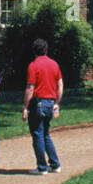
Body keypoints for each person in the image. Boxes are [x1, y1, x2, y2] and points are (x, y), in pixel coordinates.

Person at [22, 37, 62, 175]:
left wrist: (25, 106)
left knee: (37, 134)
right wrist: (57, 103)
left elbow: (30, 88)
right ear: (46, 50)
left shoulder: (33, 66)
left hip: (38, 103)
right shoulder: (54, 64)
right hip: (50, 102)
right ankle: (55, 165)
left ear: (34, 51)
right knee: (45, 134)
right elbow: (60, 84)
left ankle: (42, 167)